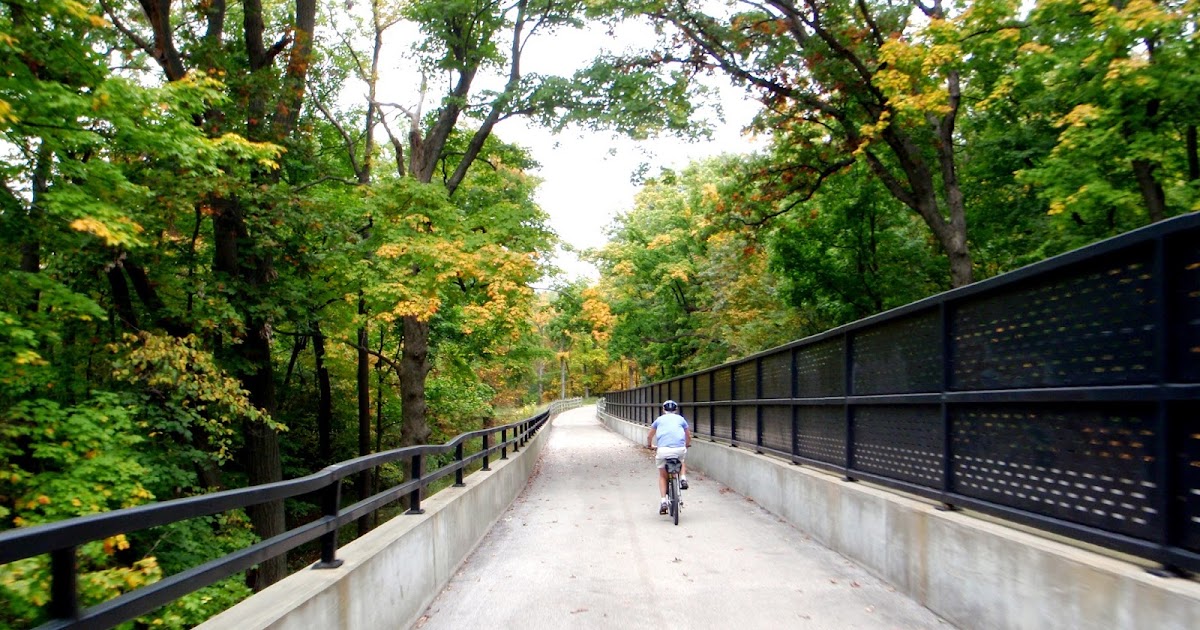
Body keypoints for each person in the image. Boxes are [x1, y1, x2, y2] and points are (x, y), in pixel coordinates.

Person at [646, 399, 691, 515]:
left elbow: (649, 436)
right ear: (676, 409)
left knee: (662, 475)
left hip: (663, 450)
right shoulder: (681, 419)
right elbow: (688, 435)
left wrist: (650, 445)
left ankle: (663, 502)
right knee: (681, 460)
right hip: (679, 448)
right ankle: (683, 478)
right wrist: (686, 444)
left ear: (663, 409)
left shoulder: (659, 420)